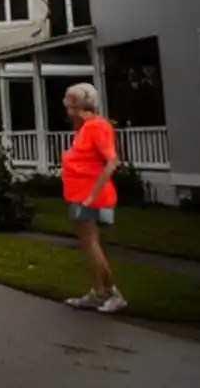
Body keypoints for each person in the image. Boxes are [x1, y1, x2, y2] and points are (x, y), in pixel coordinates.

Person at [60, 83, 127, 314]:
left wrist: (93, 194)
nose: (67, 106)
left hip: (90, 195)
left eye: (71, 101)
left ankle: (111, 292)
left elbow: (111, 161)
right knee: (88, 243)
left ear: (82, 104)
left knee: (90, 243)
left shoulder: (97, 126)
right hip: (79, 194)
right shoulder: (84, 129)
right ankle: (97, 291)